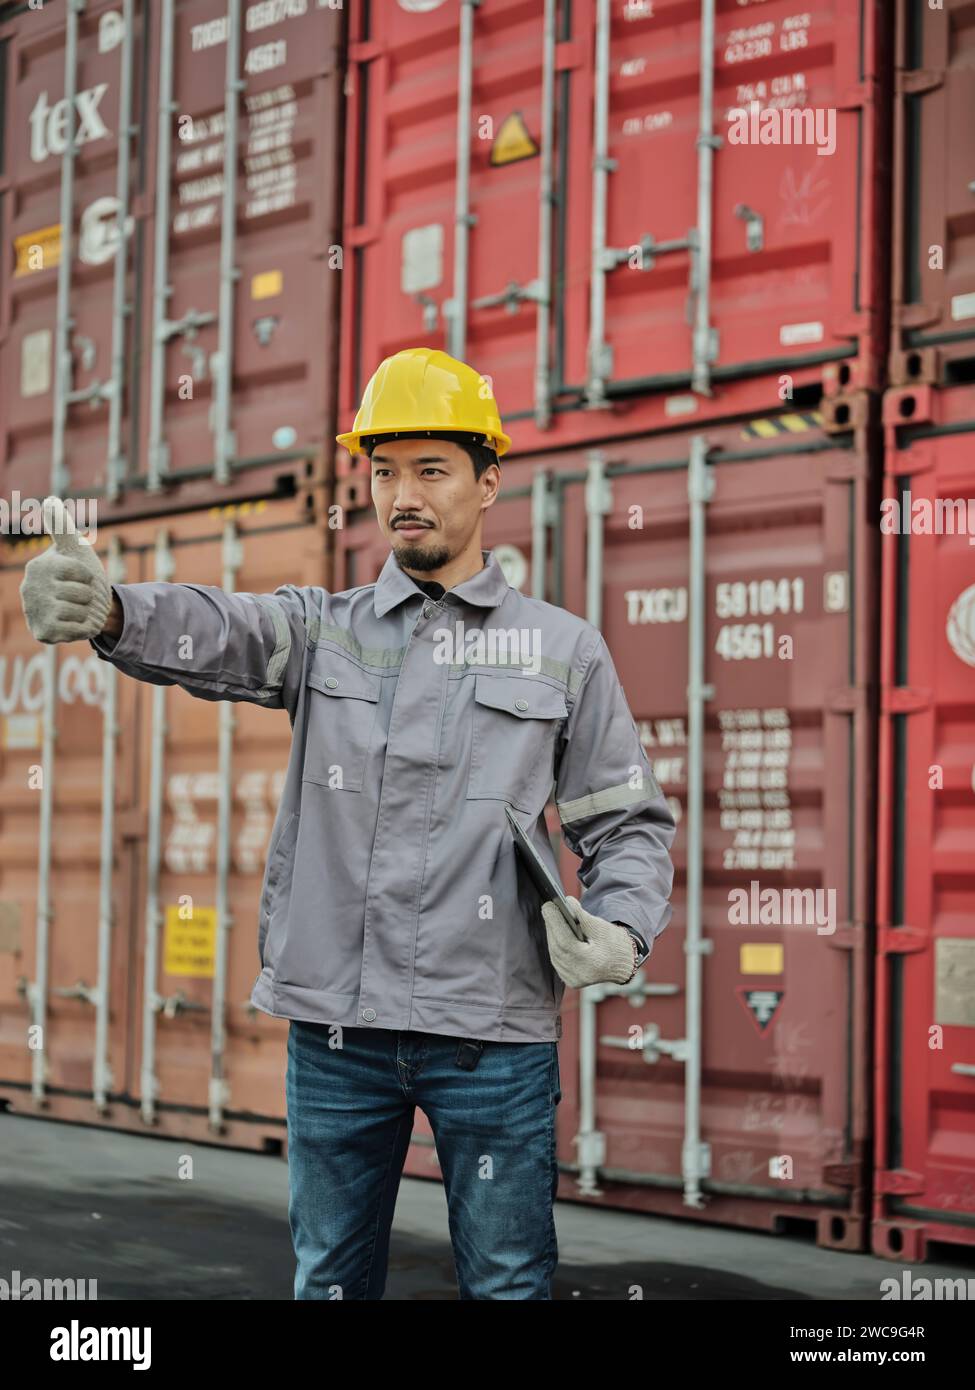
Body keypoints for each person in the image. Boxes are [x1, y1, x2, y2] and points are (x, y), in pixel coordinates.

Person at [19, 345, 676, 1301]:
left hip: (488, 1036)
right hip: (336, 1033)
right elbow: (224, 630)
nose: (401, 493)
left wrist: (621, 929)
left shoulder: (561, 649)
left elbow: (623, 821)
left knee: (508, 1284)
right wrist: (115, 610)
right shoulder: (325, 628)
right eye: (383, 471)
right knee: (328, 1281)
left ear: (488, 482)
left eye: (431, 469)